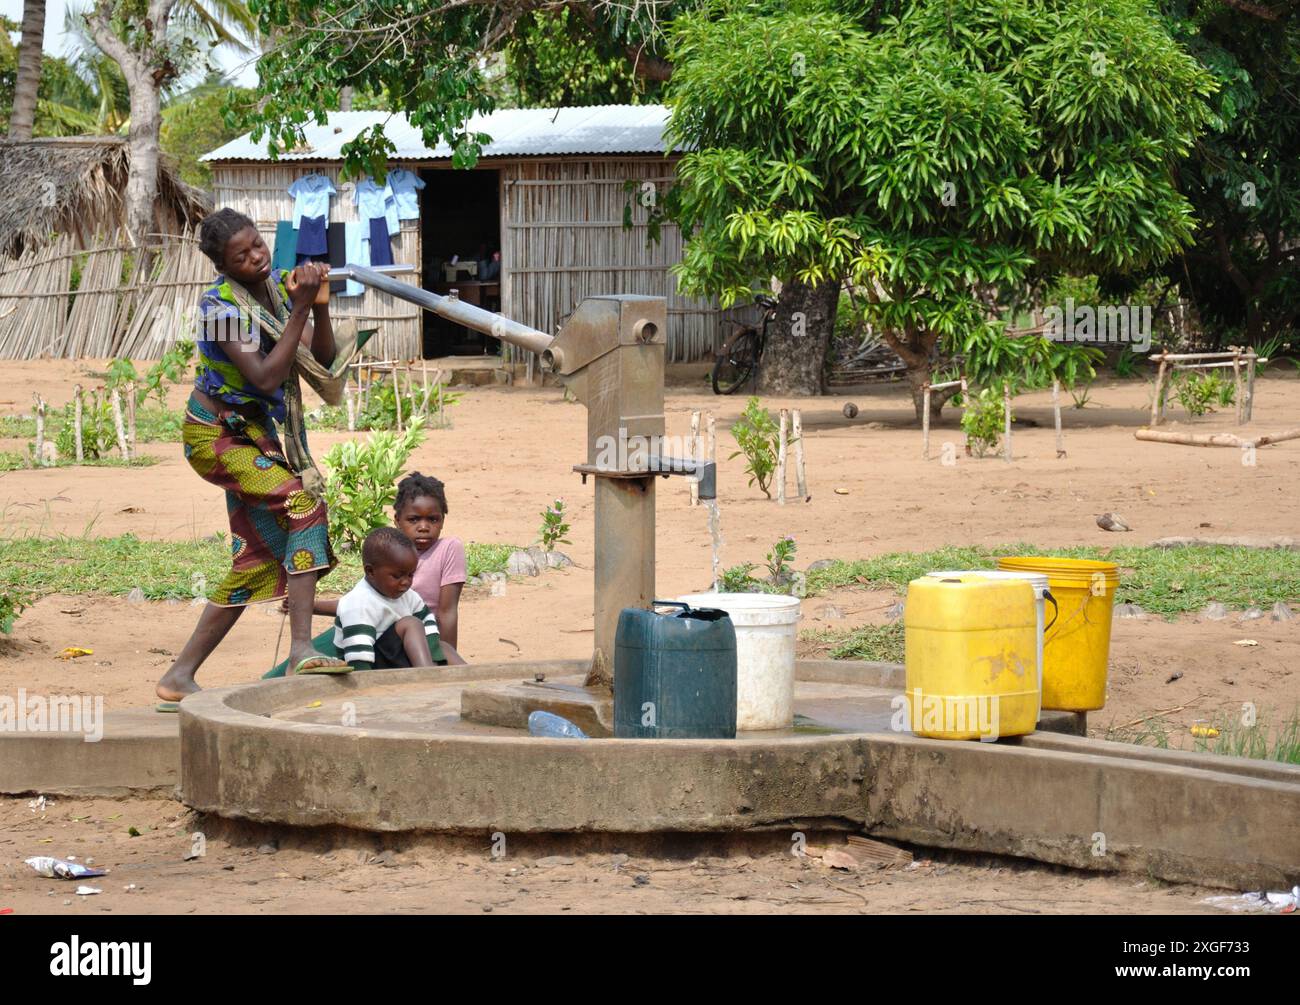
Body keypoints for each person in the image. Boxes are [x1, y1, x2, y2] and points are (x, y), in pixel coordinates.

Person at [156, 208, 348, 707]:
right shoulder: (218, 306)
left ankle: (179, 675)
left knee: (259, 559)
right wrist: (301, 308)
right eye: (240, 256)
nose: (256, 258)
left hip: (254, 435)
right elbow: (264, 378)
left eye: (257, 245)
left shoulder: (278, 291)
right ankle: (302, 648)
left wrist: (319, 303)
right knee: (304, 506)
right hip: (215, 436)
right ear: (222, 264)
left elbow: (320, 363)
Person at [333, 527, 449, 670]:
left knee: (443, 647)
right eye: (397, 576)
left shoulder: (408, 595)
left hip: (394, 656)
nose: (406, 582)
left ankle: (472, 681)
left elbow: (427, 621)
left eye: (410, 575)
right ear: (370, 571)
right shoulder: (359, 603)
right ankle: (427, 677)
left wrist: (435, 658)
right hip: (368, 665)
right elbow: (358, 655)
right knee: (410, 624)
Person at [395, 472, 466, 651]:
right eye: (414, 519)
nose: (424, 527)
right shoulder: (389, 550)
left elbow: (447, 613)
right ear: (397, 521)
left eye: (433, 519)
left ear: (442, 521)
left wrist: (447, 659)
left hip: (426, 639)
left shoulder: (449, 548)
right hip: (387, 634)